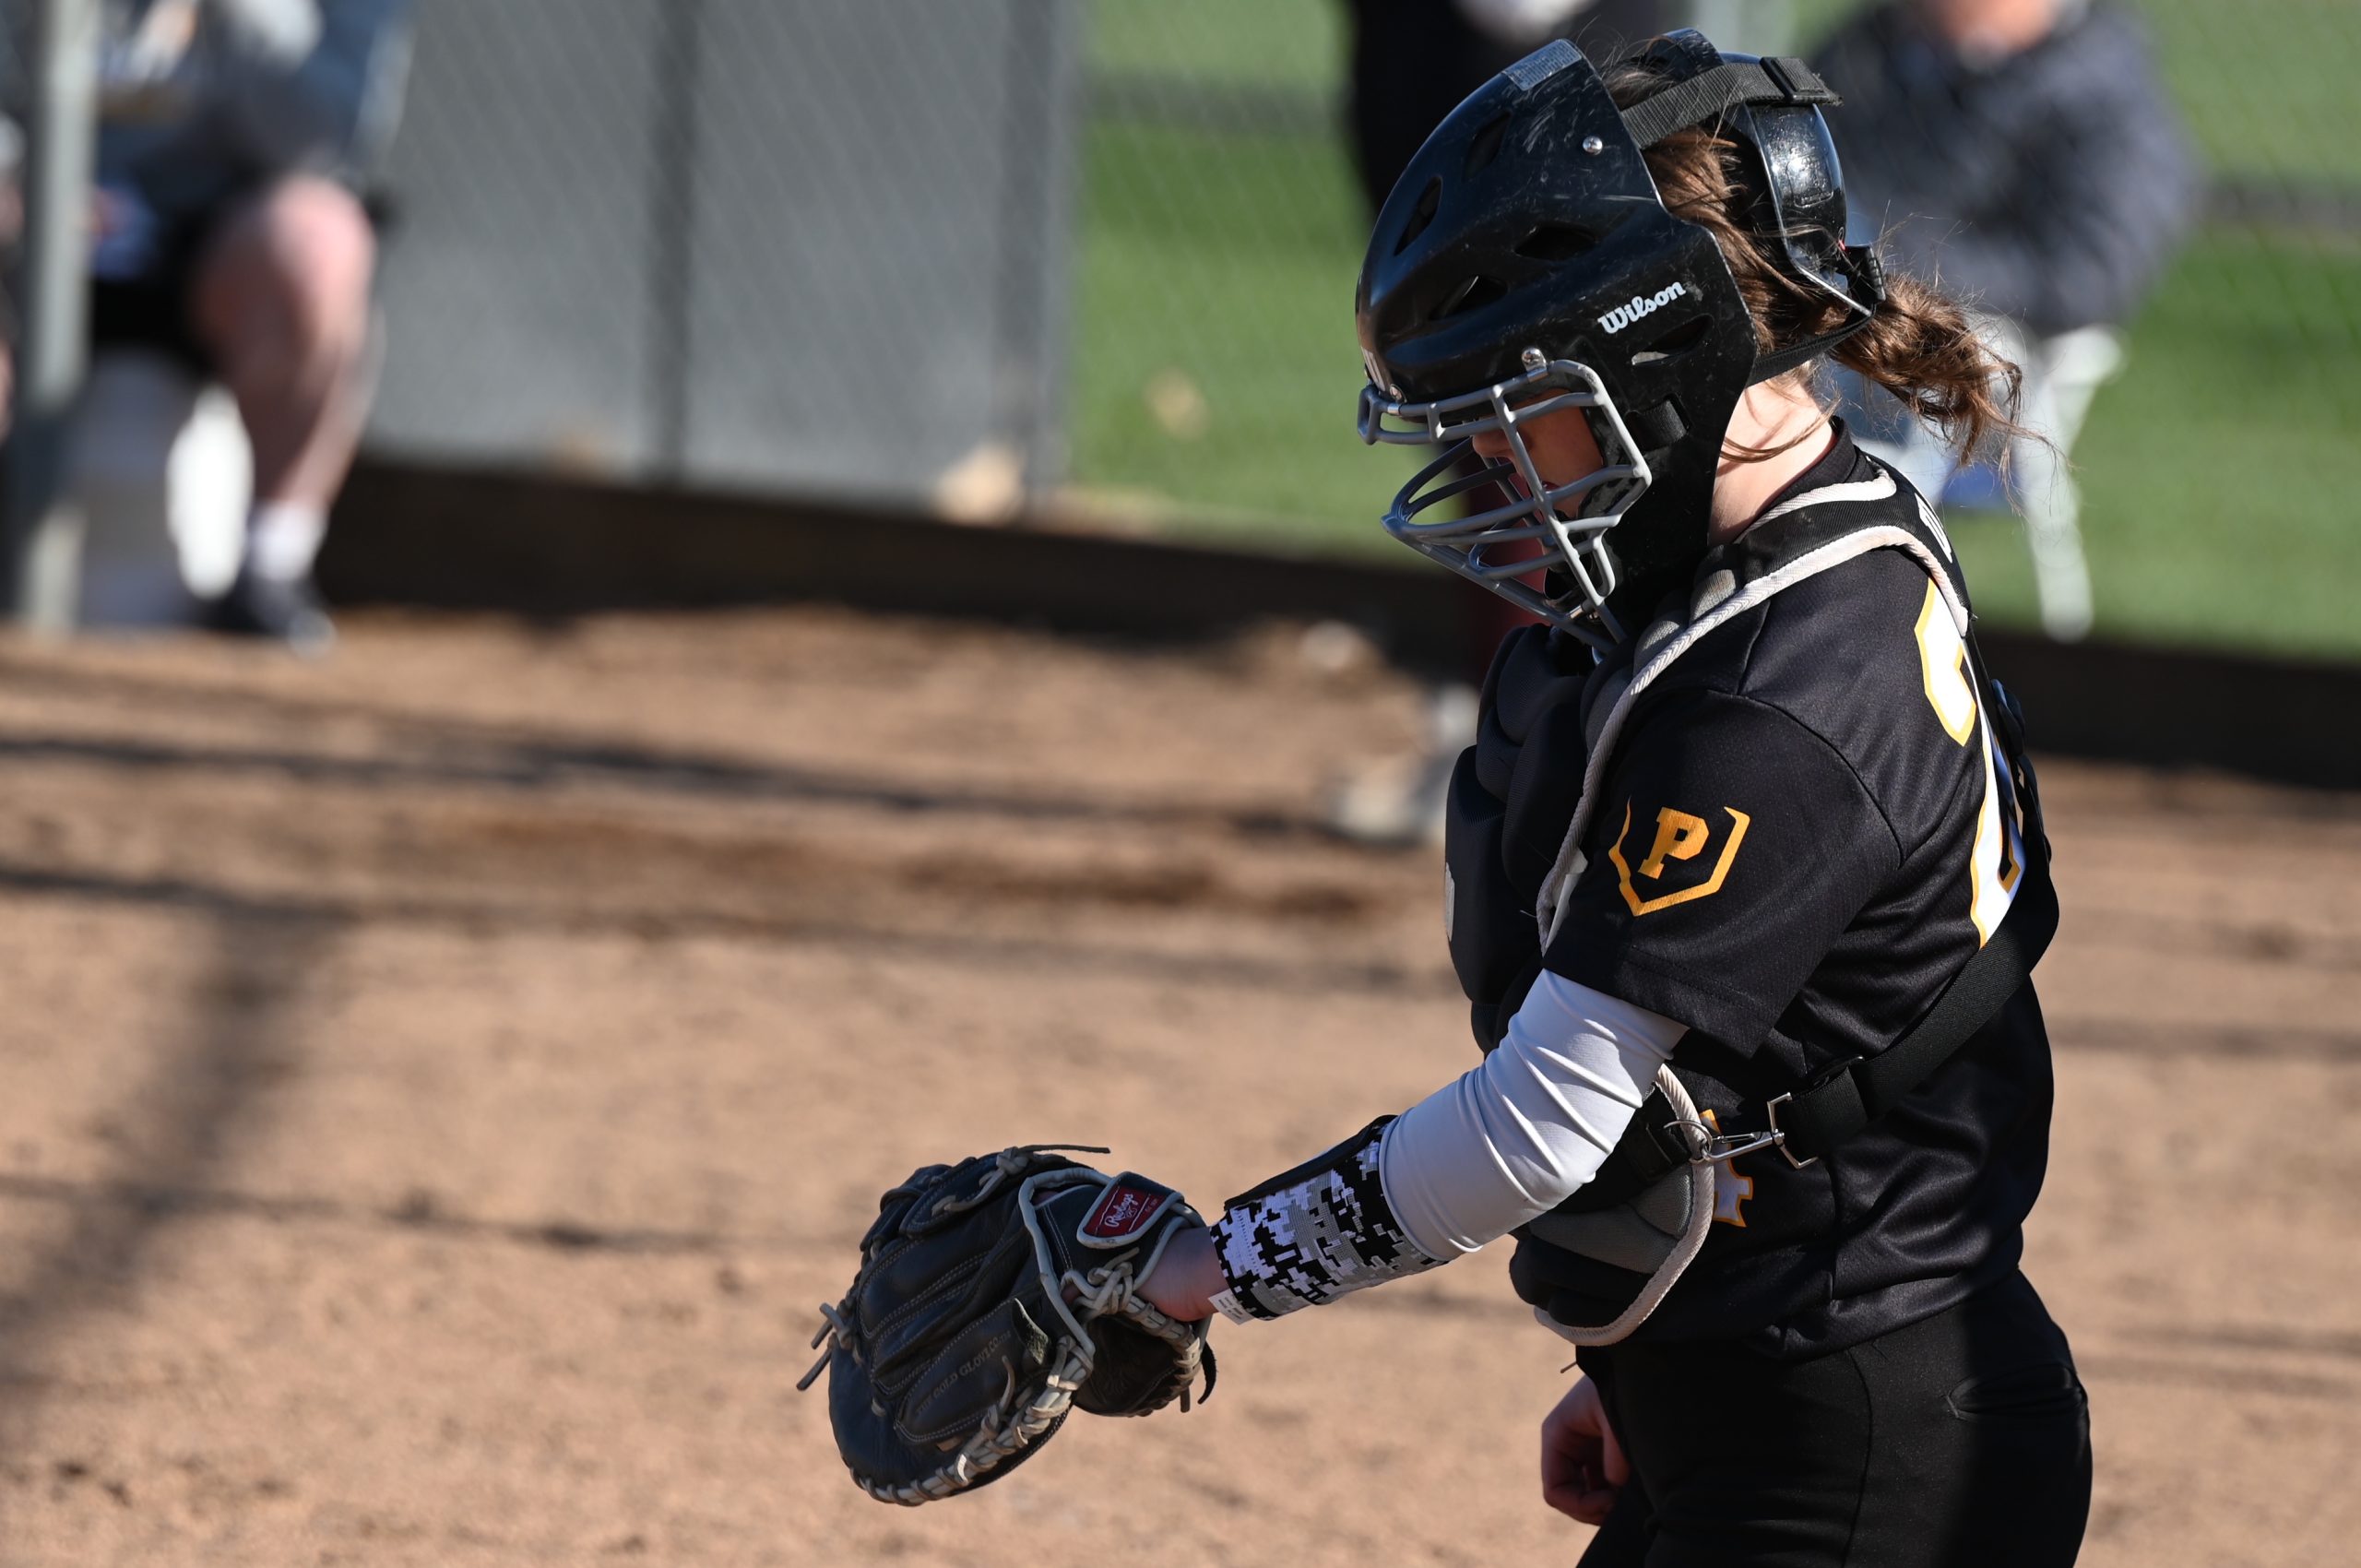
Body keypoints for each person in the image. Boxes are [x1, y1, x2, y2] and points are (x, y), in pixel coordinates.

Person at [1139, 30, 2092, 1565]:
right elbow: (1779, 1051)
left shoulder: (1775, 700)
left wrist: (1196, 1270)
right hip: (1788, 1400)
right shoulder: (1807, 532)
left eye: (1518, 407)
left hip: (1862, 1462)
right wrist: (1648, 1363)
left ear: (1668, 360)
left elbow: (1543, 1127)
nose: (1492, 465)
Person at [6, 0, 414, 650]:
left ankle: (267, 569)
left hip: (215, 241)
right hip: (28, 218)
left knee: (318, 242)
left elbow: (322, 140)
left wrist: (238, 13)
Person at [1811, 0, 2197, 638]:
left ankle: (1849, 621)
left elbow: (2086, 274)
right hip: (1838, 316)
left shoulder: (2108, 104)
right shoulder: (1879, 50)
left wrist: (1903, 264)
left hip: (1971, 372)